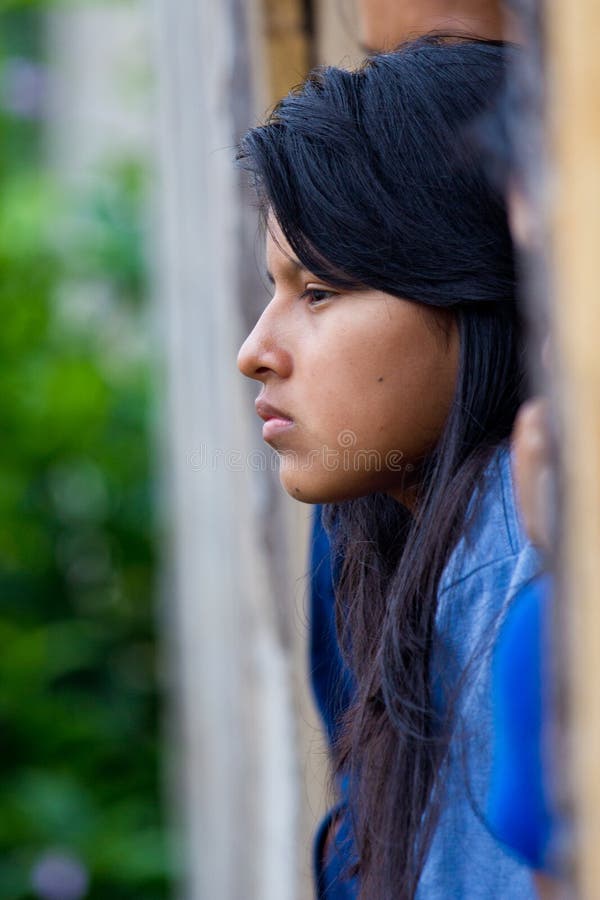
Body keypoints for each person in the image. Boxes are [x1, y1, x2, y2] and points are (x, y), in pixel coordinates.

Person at [237, 37, 541, 899]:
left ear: (475, 282)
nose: (255, 351)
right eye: (274, 288)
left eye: (320, 291)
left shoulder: (508, 566)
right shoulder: (405, 534)